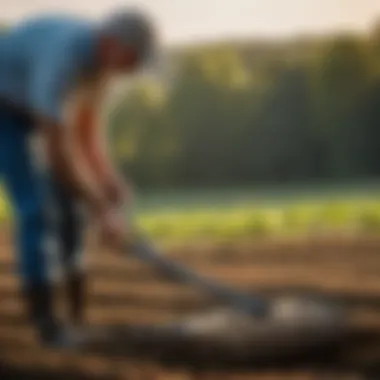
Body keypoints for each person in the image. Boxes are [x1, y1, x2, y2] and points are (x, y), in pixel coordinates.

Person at [0, 8, 157, 347]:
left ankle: (76, 316)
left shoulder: (100, 68)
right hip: (4, 110)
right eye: (134, 59)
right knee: (36, 208)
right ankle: (47, 325)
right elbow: (58, 152)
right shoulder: (63, 58)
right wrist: (102, 209)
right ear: (112, 44)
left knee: (72, 207)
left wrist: (107, 180)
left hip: (30, 107)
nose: (135, 69)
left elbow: (87, 132)